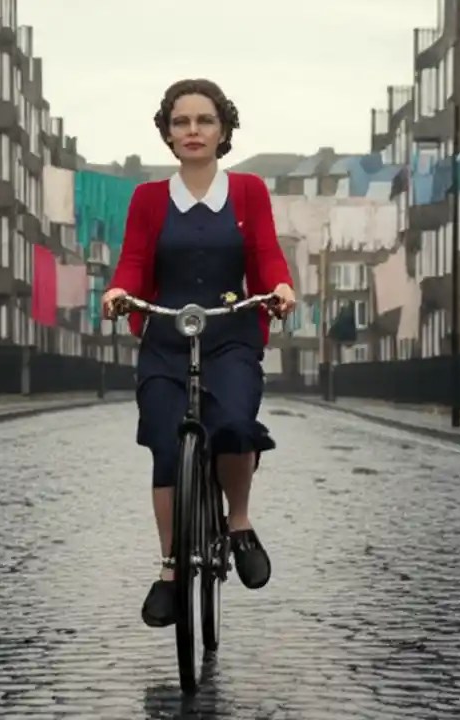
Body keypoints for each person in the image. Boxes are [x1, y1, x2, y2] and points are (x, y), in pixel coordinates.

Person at [101, 78, 297, 629]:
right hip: (167, 338)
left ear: (223, 129)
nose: (193, 131)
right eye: (181, 121)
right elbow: (134, 260)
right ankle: (170, 570)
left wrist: (280, 287)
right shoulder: (148, 198)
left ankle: (239, 524)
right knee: (167, 446)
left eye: (204, 120)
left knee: (234, 424)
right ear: (167, 133)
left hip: (231, 335)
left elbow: (266, 252)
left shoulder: (249, 192)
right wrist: (118, 291)